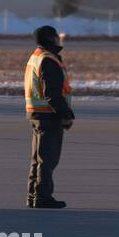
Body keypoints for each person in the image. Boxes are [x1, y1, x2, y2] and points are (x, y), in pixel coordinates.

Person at [24, 25, 74, 209]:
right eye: (55, 36)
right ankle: (42, 197)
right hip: (48, 115)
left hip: (37, 114)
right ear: (51, 39)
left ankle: (33, 196)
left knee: (38, 158)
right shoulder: (49, 60)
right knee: (47, 159)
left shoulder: (36, 56)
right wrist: (65, 114)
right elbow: (52, 92)